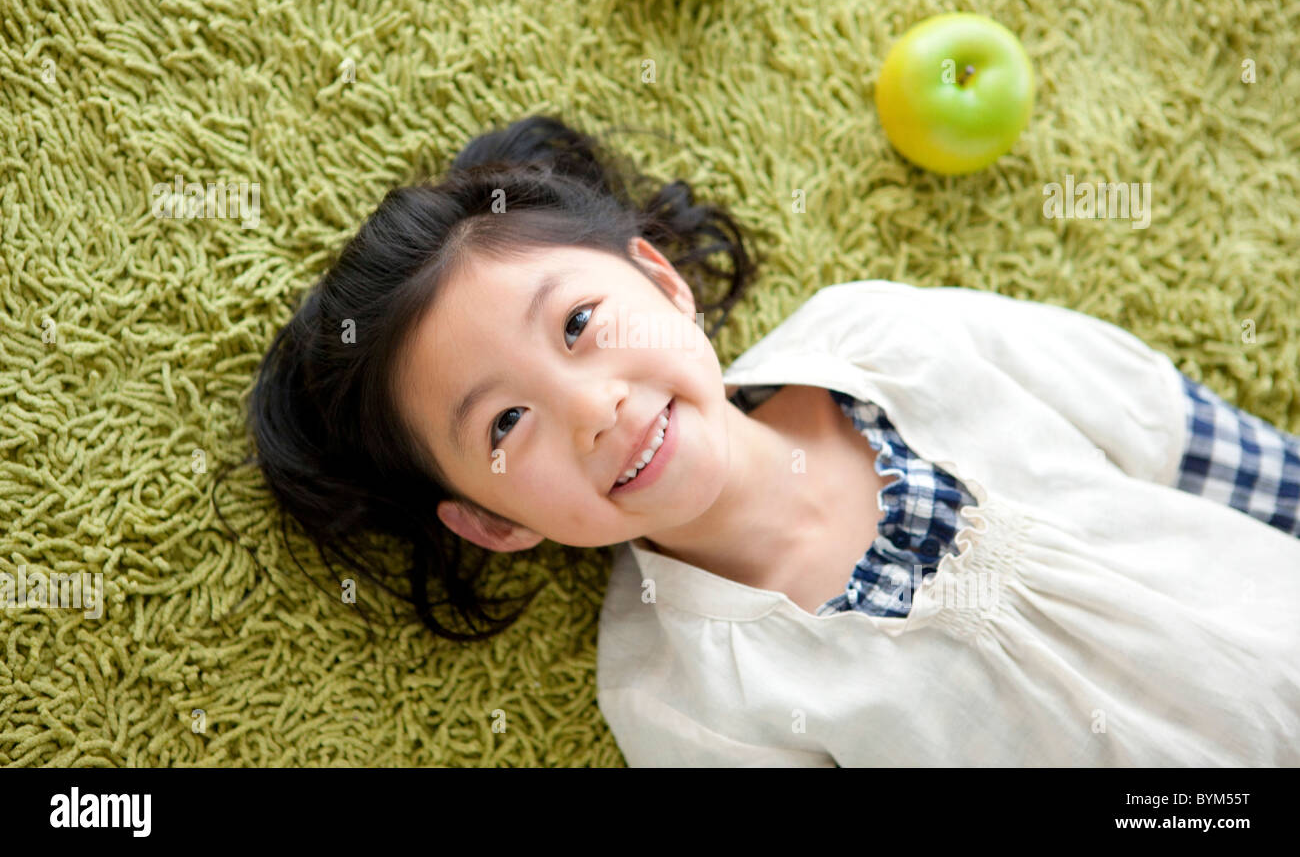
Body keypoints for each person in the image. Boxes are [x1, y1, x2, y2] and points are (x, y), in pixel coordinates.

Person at [235, 113, 1300, 766]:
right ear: (493, 521)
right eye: (506, 424)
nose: (592, 407)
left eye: (576, 326)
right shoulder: (684, 695)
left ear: (661, 280)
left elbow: (1184, 438)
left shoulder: (892, 339)